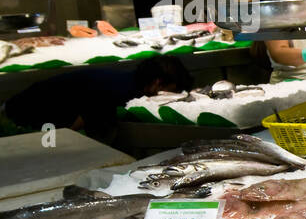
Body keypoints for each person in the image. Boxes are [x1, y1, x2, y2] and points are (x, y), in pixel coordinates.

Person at [0, 57, 192, 142]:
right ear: (156, 83)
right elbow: (74, 128)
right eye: (171, 90)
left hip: (25, 105)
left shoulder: (131, 80)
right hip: (20, 114)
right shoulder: (120, 90)